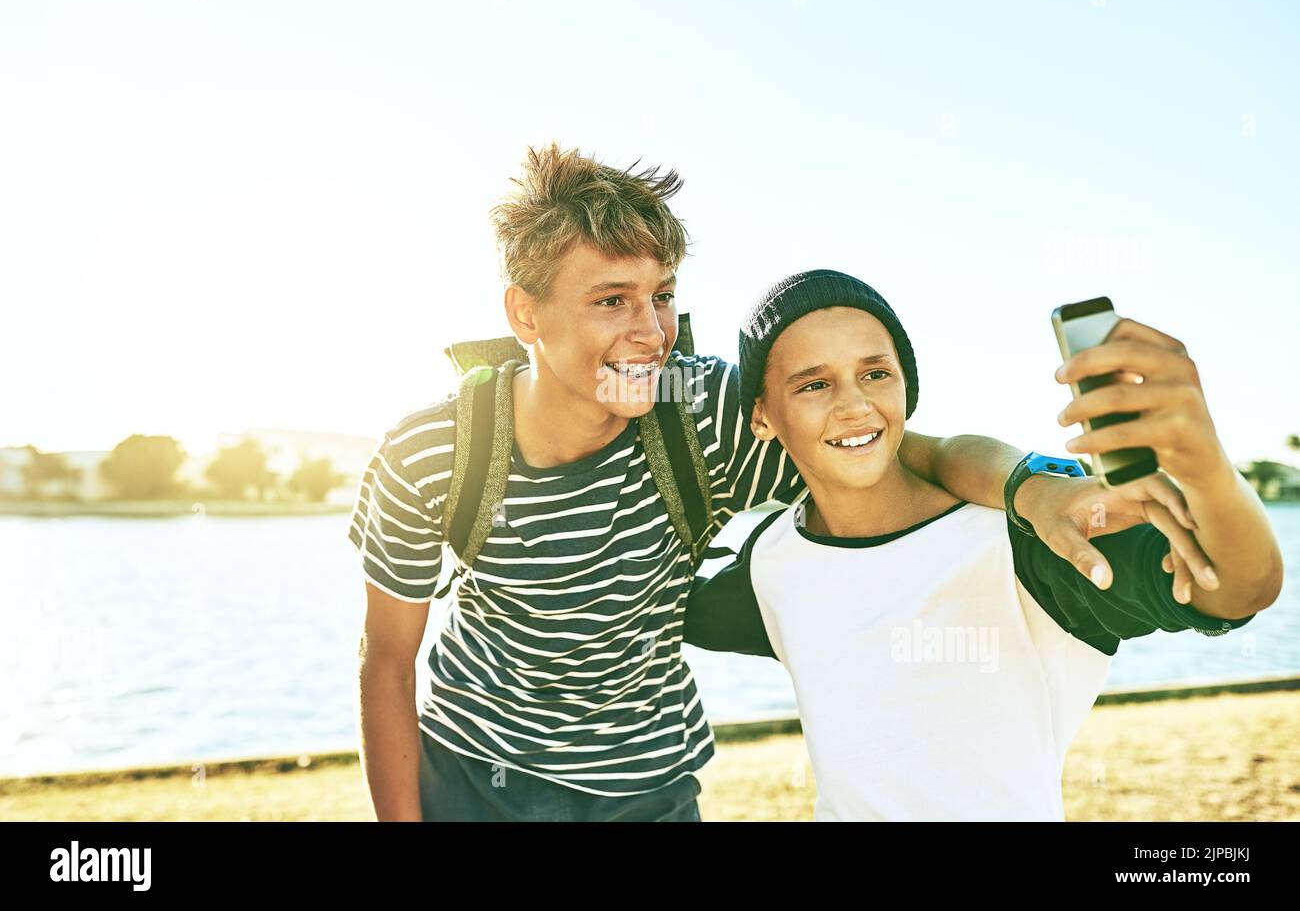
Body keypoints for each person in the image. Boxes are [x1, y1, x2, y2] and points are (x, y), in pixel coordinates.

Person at [347, 144, 1211, 822]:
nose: (651, 332)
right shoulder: (435, 453)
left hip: (650, 790)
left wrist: (1030, 485)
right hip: (472, 776)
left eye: (663, 295)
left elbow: (906, 449)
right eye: (611, 300)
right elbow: (388, 663)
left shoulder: (708, 411)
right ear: (524, 314)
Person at [683, 269, 1282, 820]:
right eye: (813, 384)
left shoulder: (1023, 542)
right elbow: (650, 604)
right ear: (762, 416)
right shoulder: (772, 562)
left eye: (875, 373)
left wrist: (1206, 472)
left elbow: (1234, 588)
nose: (854, 403)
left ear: (906, 387)